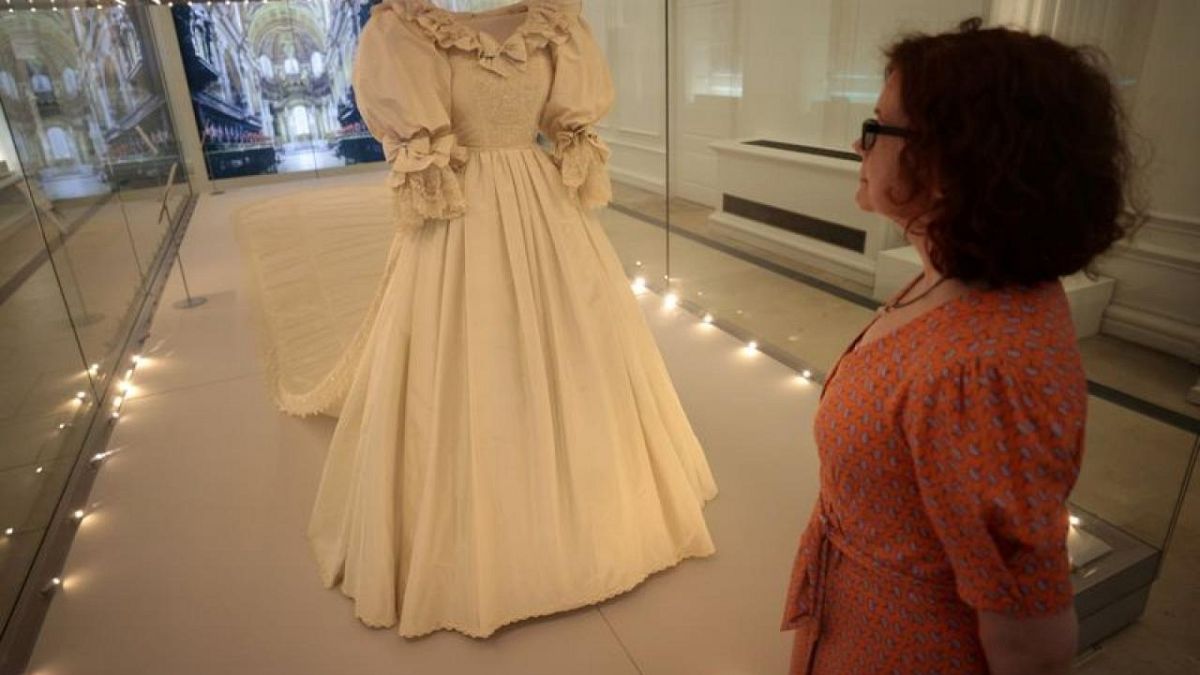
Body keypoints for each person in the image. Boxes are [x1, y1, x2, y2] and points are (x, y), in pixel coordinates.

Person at [781, 17, 1136, 675]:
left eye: (878, 127)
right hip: (854, 622)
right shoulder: (954, 274)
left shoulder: (982, 370)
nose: (858, 145)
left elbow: (1032, 640)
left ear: (950, 161)